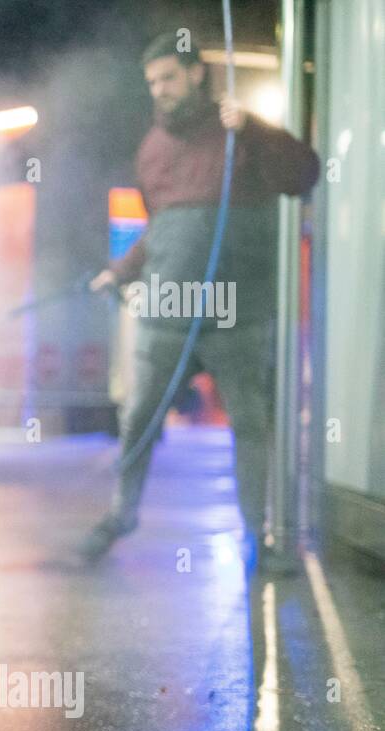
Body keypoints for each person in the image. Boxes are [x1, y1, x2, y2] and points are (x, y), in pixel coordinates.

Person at [79, 32, 320, 569]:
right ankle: (122, 513)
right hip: (168, 305)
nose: (159, 90)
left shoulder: (241, 133)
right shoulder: (153, 149)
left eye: (168, 77)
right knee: (138, 417)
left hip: (237, 310)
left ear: (196, 73)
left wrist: (254, 128)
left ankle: (258, 536)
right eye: (151, 82)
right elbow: (161, 230)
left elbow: (304, 173)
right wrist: (120, 271)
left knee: (250, 424)